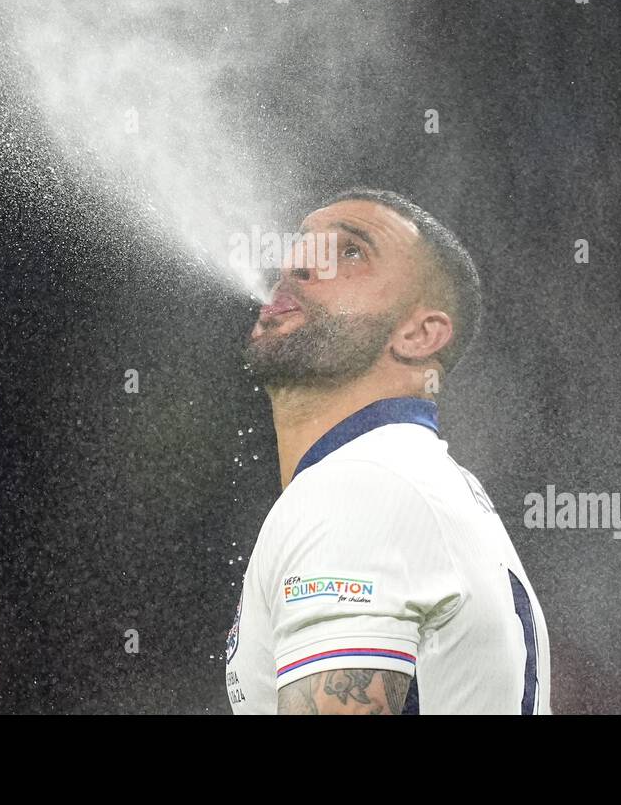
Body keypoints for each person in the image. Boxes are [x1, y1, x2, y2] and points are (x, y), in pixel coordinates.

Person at [225, 188, 551, 714]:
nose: (297, 263)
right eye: (300, 244)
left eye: (349, 251)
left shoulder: (361, 488)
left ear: (420, 335)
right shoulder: (406, 478)